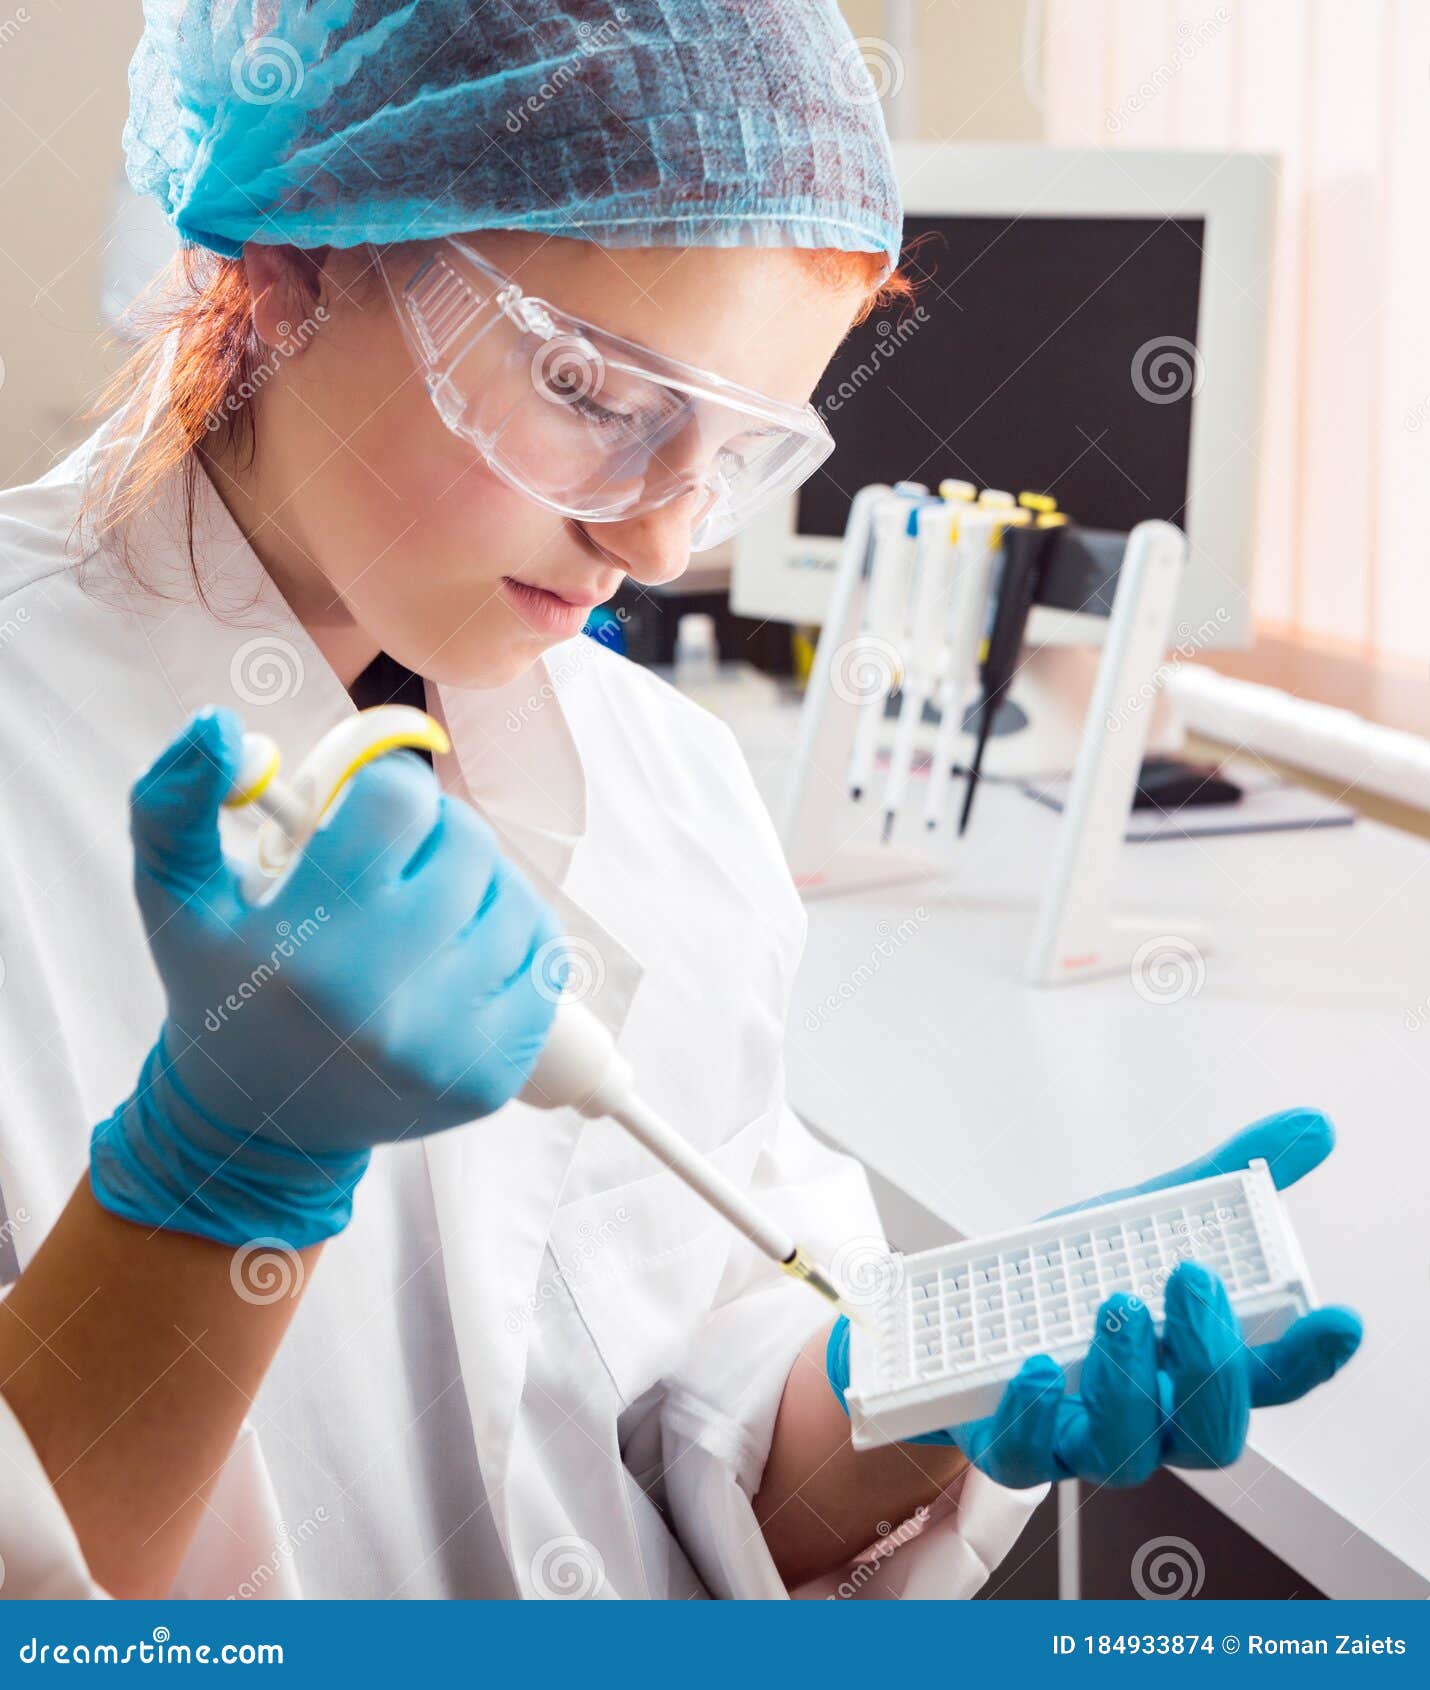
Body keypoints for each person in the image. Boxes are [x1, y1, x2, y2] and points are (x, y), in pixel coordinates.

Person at [0, 0, 1359, 1600]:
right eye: (590, 390)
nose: (655, 545)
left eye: (727, 450)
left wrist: (920, 1399)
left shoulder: (669, 783)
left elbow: (686, 1453)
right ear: (299, 256)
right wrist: (210, 1180)